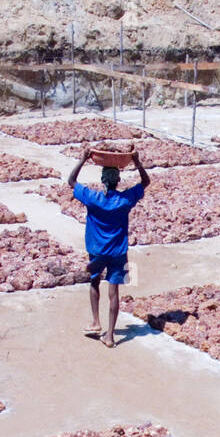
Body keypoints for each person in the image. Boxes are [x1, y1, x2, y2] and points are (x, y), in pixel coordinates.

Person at [67, 147, 151, 348]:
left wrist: (83, 159)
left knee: (94, 283)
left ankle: (96, 322)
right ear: (118, 181)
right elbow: (146, 182)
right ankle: (111, 337)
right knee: (114, 293)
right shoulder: (124, 200)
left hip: (96, 249)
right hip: (118, 252)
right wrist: (137, 162)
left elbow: (71, 181)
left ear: (103, 181)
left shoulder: (93, 198)